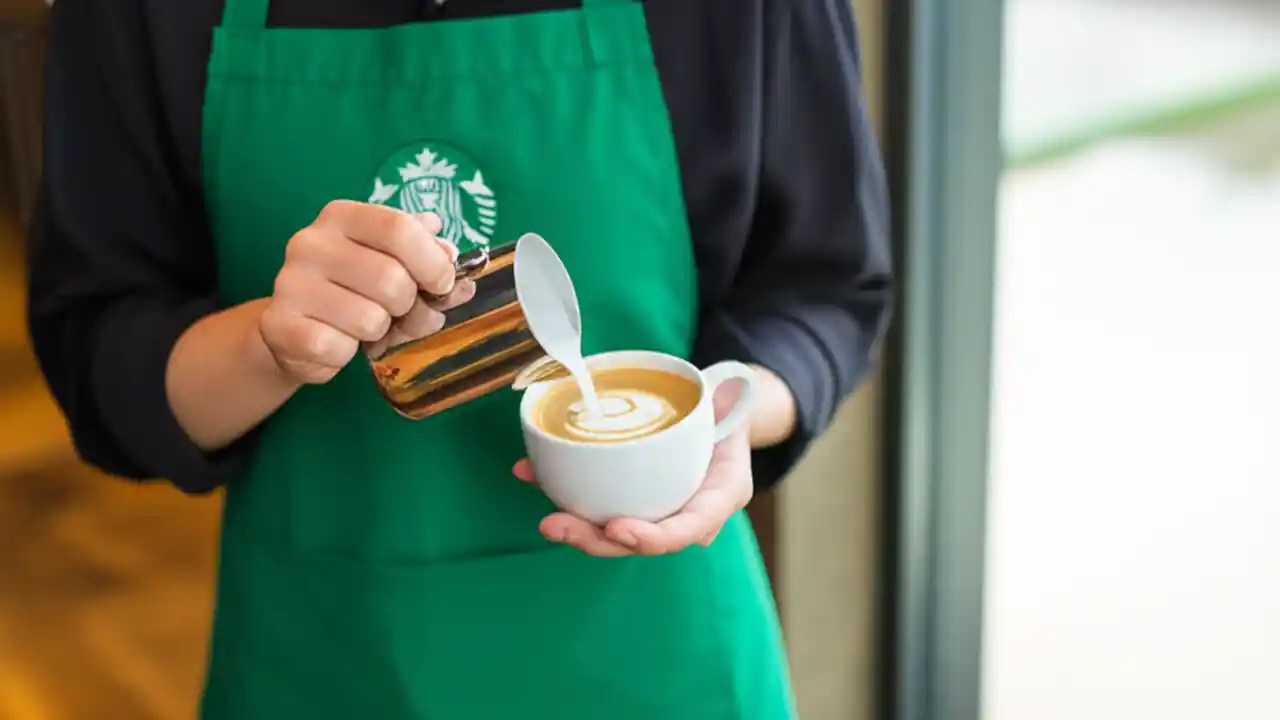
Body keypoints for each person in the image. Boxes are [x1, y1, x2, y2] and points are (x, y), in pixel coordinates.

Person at [27, 0, 892, 717]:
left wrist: (727, 414)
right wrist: (269, 345)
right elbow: (101, 359)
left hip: (660, 651)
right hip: (327, 654)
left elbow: (823, 288)